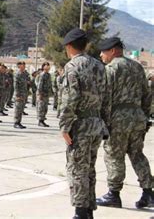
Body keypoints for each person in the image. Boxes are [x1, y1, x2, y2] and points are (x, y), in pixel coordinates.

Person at [96, 37, 153, 209]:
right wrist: (145, 117)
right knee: (137, 154)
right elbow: (147, 95)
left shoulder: (111, 69)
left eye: (103, 51)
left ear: (113, 51)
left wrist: (102, 122)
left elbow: (104, 98)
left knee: (114, 155)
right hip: (137, 117)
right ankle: (148, 192)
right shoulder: (137, 67)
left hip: (118, 118)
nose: (101, 55)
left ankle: (113, 194)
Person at [59, 28, 109, 219]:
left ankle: (80, 212)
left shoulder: (72, 67)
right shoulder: (99, 66)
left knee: (77, 169)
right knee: (89, 168)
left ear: (69, 47)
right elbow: (106, 97)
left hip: (80, 125)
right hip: (96, 123)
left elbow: (70, 99)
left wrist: (64, 126)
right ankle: (88, 210)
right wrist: (104, 122)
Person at [14, 61, 29, 129]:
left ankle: (19, 122)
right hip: (19, 94)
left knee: (21, 109)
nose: (24, 66)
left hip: (24, 94)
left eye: (24, 65)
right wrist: (17, 95)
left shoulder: (24, 74)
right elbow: (16, 85)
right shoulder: (18, 74)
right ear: (19, 66)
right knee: (18, 109)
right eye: (22, 65)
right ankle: (16, 122)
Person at [37, 62, 51, 127]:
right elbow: (40, 85)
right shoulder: (42, 74)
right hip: (42, 94)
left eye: (49, 66)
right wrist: (40, 94)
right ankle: (40, 121)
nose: (48, 67)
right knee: (41, 107)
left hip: (46, 94)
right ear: (43, 67)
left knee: (45, 108)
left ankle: (43, 120)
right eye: (46, 66)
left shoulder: (48, 75)